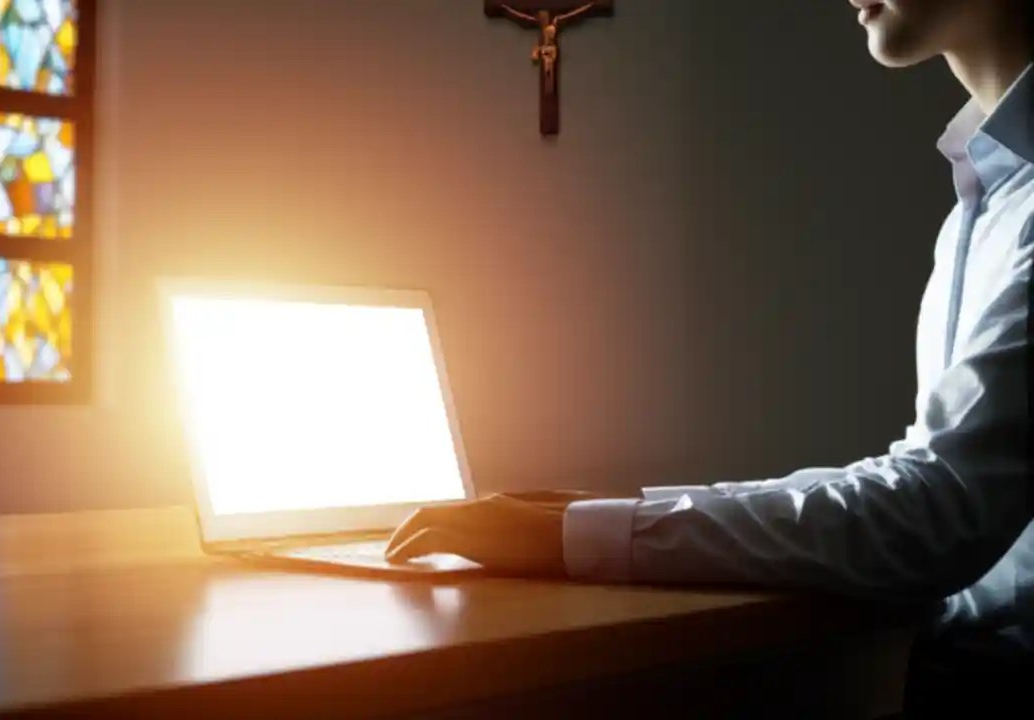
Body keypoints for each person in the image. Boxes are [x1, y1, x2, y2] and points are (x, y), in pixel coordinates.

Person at [387, 0, 1032, 712]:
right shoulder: (992, 194)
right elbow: (925, 478)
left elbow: (932, 513)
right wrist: (607, 513)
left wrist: (575, 534)